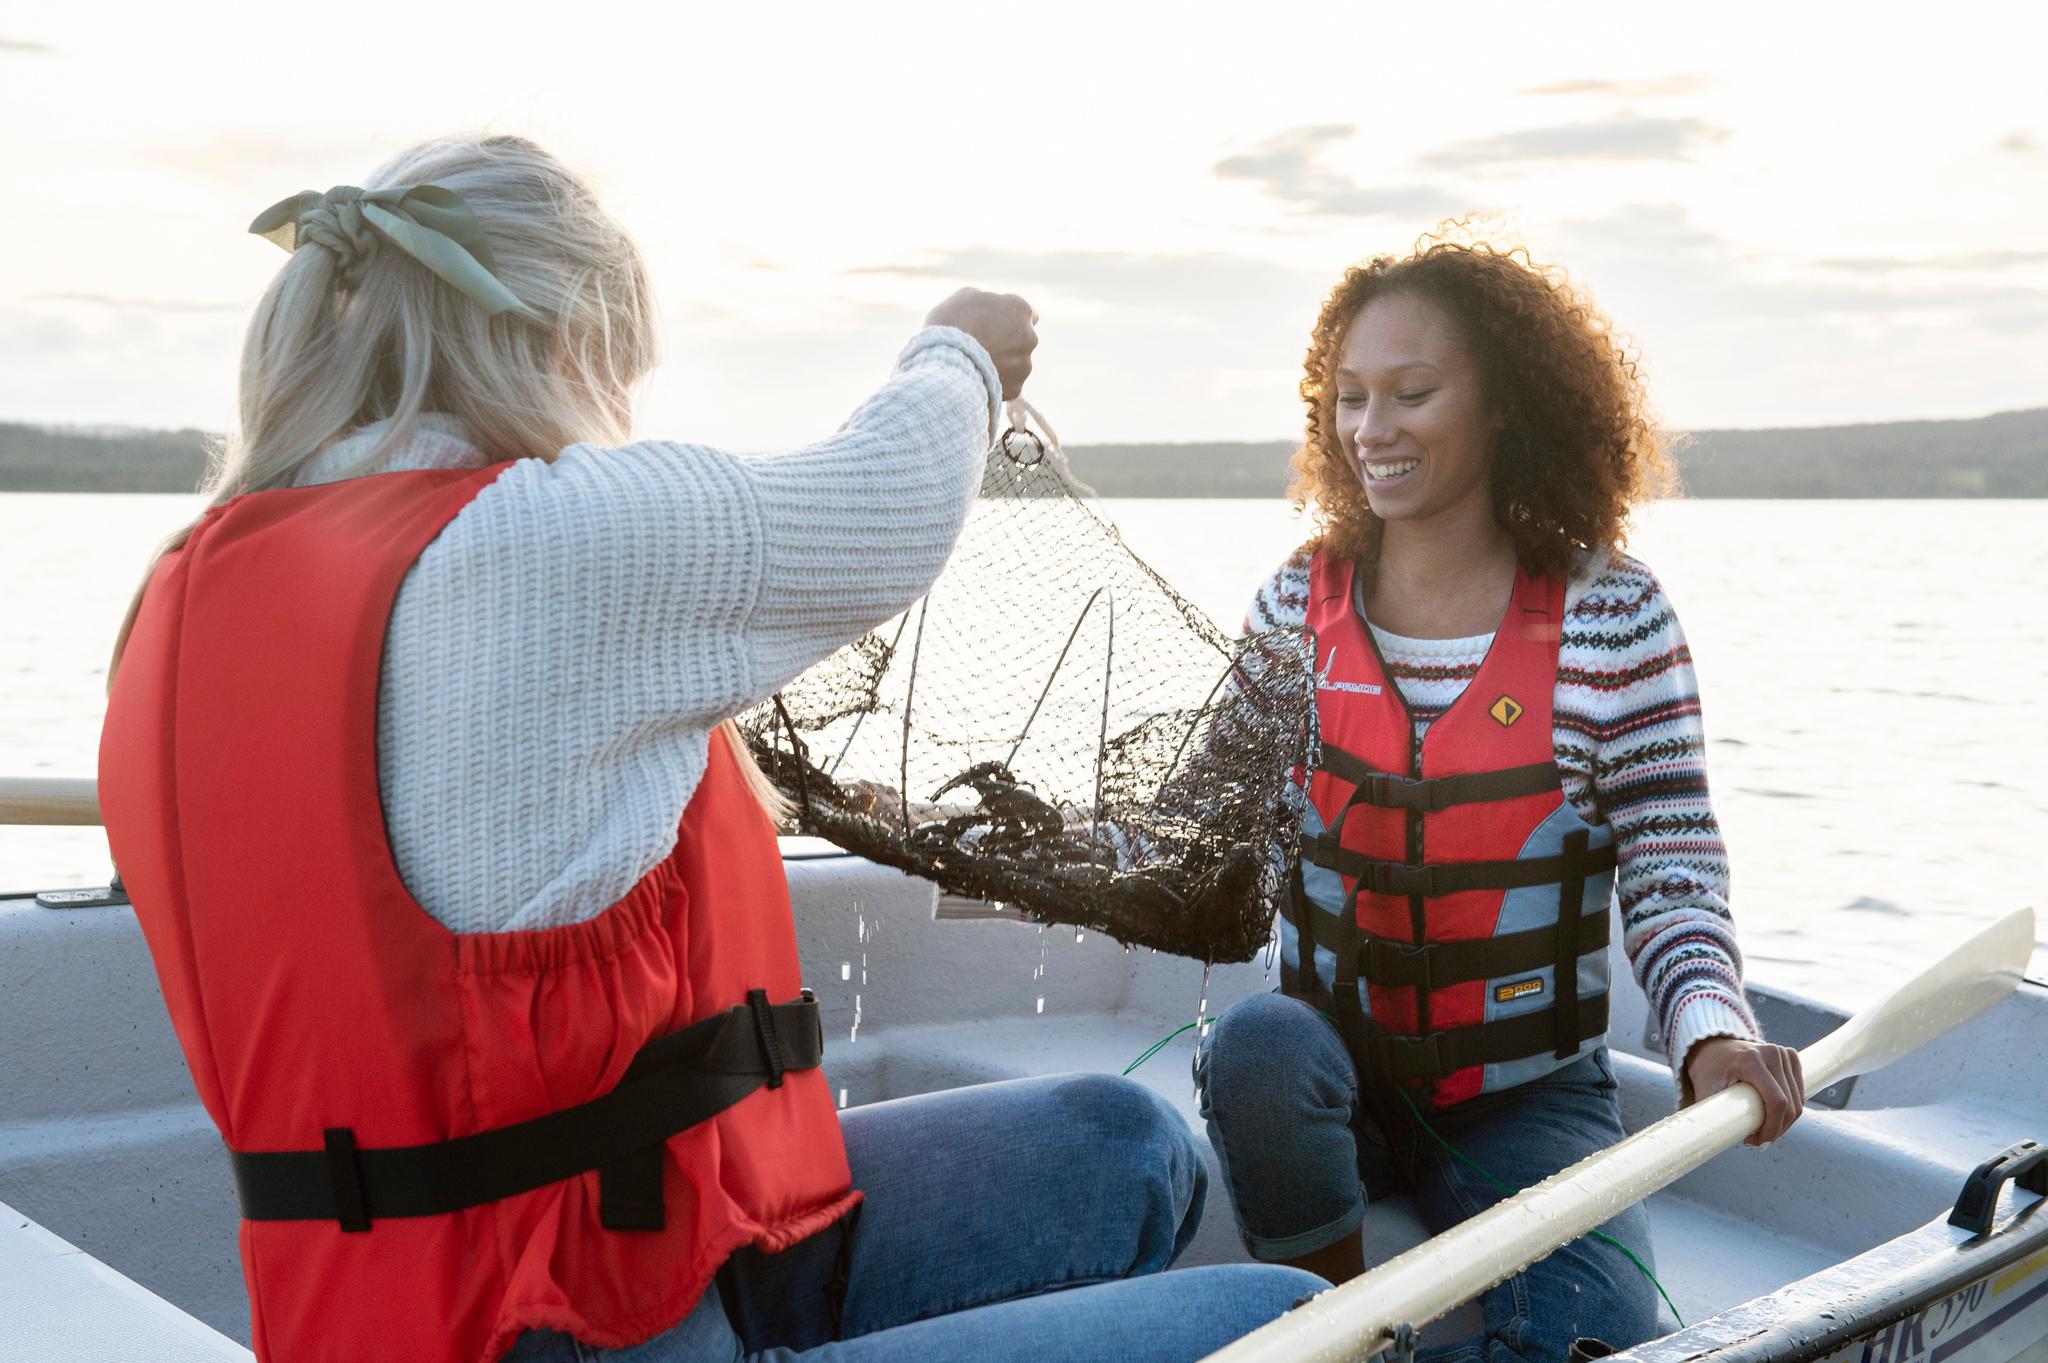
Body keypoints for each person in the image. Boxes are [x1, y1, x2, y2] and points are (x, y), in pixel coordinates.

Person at [96, 132, 1321, 1363]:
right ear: (562, 335)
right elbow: (883, 505)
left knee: (1125, 1145)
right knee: (1287, 1331)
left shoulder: (182, 596)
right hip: (562, 1323)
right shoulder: (534, 540)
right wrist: (960, 354)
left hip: (448, 1291)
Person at [1194, 232, 1807, 1363]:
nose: (1372, 429)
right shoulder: (1292, 603)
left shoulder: (1611, 615)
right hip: (1325, 1074)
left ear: (1504, 406)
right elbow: (1195, 828)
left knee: (1587, 1338)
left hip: (1528, 1094)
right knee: (1254, 1046)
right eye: (1350, 398)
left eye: (1412, 394)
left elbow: (1672, 867)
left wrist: (1711, 1033)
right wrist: (953, 836)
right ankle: (1334, 1328)